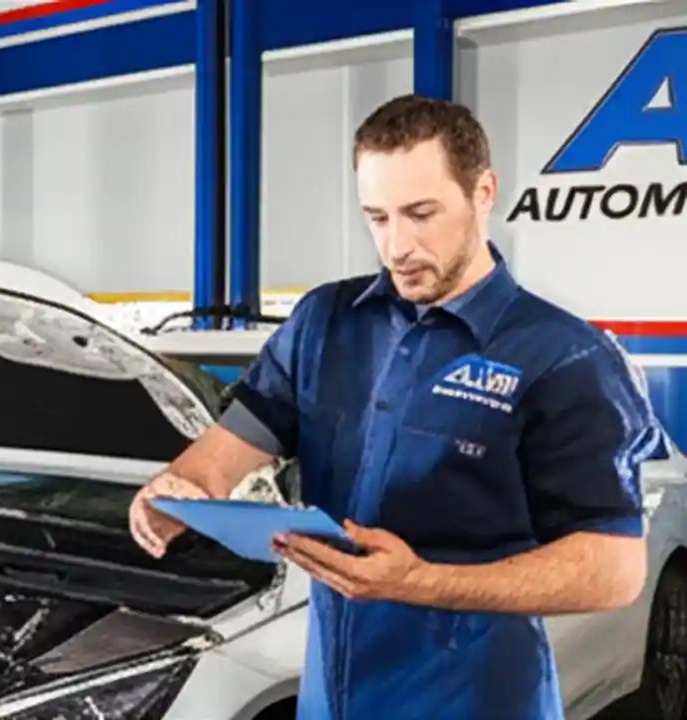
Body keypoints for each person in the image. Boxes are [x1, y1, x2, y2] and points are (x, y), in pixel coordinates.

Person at [128, 94, 664, 719]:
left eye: (421, 213)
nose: (397, 245)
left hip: (476, 700)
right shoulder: (324, 323)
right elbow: (222, 455)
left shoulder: (565, 356)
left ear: (483, 193)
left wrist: (419, 582)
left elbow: (613, 570)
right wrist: (177, 490)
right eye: (377, 217)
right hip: (334, 696)